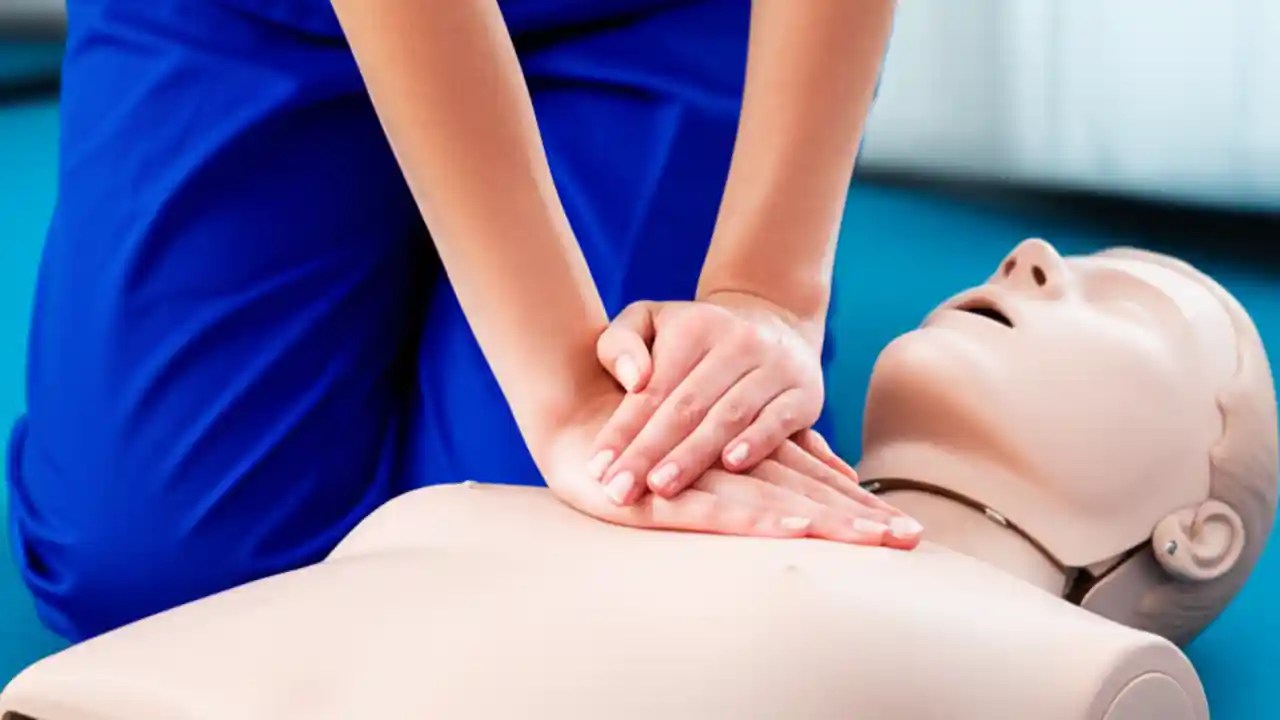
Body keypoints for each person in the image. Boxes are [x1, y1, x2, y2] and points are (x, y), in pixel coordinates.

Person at [4, 241, 1270, 719]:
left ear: (1198, 535)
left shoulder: (1073, 680)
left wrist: (762, 290)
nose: (1034, 252)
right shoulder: (491, 507)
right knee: (129, 538)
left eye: (1124, 302)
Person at [7, 0, 914, 642]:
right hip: (246, 16)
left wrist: (768, 292)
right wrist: (561, 386)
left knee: (577, 571)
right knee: (154, 579)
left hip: (659, 17)